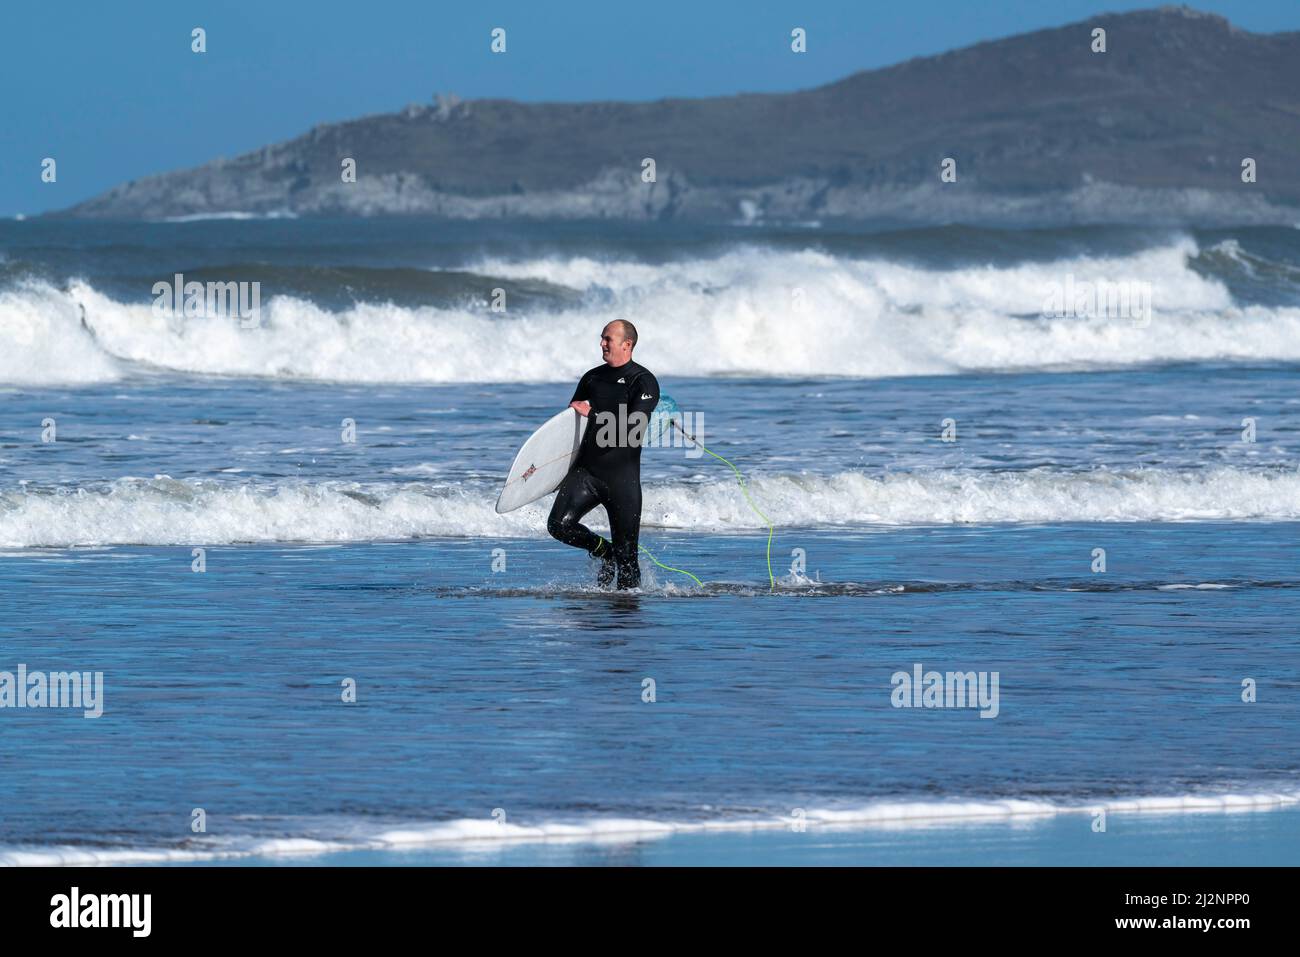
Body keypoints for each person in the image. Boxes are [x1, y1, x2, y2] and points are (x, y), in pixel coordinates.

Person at [547, 319, 659, 589]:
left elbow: (633, 427)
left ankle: (625, 624)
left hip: (622, 480)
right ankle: (603, 552)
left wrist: (594, 414)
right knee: (558, 526)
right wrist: (555, 472)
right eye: (602, 338)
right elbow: (572, 427)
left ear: (627, 344)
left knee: (628, 562)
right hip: (586, 472)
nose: (602, 343)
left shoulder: (643, 381)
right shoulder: (592, 378)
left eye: (608, 339)